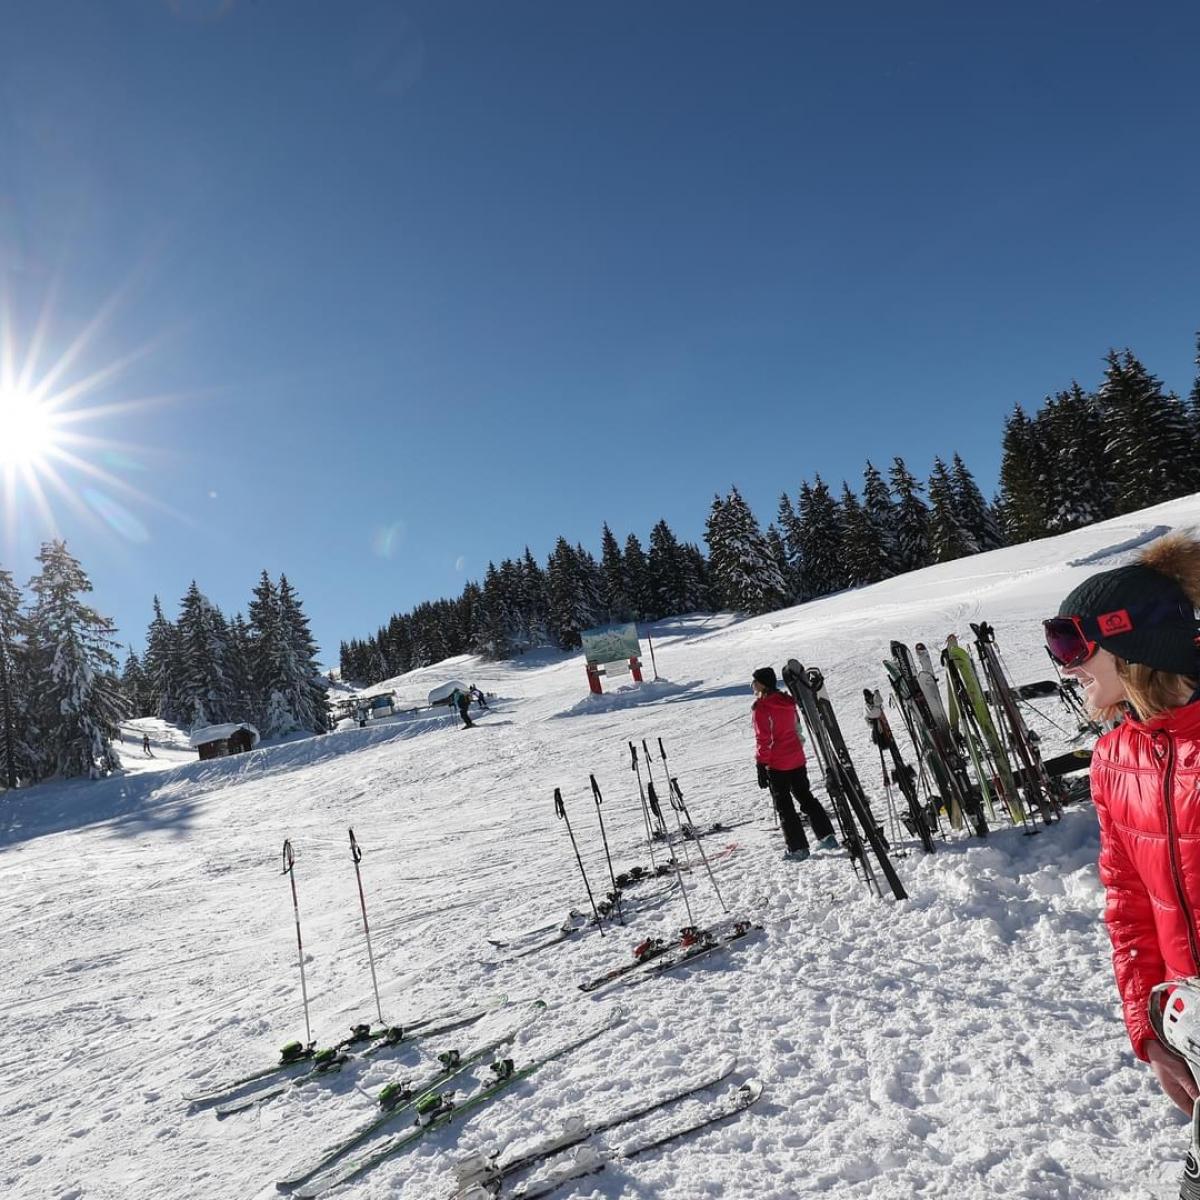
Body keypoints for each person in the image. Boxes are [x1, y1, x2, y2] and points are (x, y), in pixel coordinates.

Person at [1044, 532, 1200, 1121]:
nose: (1067, 667)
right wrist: (1151, 1029)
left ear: (1133, 642)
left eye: (1074, 646)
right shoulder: (1113, 760)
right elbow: (1129, 905)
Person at [751, 665, 838, 861]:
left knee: (785, 806)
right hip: (797, 758)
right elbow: (796, 727)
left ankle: (797, 848)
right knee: (805, 796)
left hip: (777, 763)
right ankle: (827, 836)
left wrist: (760, 764)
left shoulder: (761, 708)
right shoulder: (788, 701)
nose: (753, 685)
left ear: (763, 684)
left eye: (755, 682)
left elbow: (763, 740)